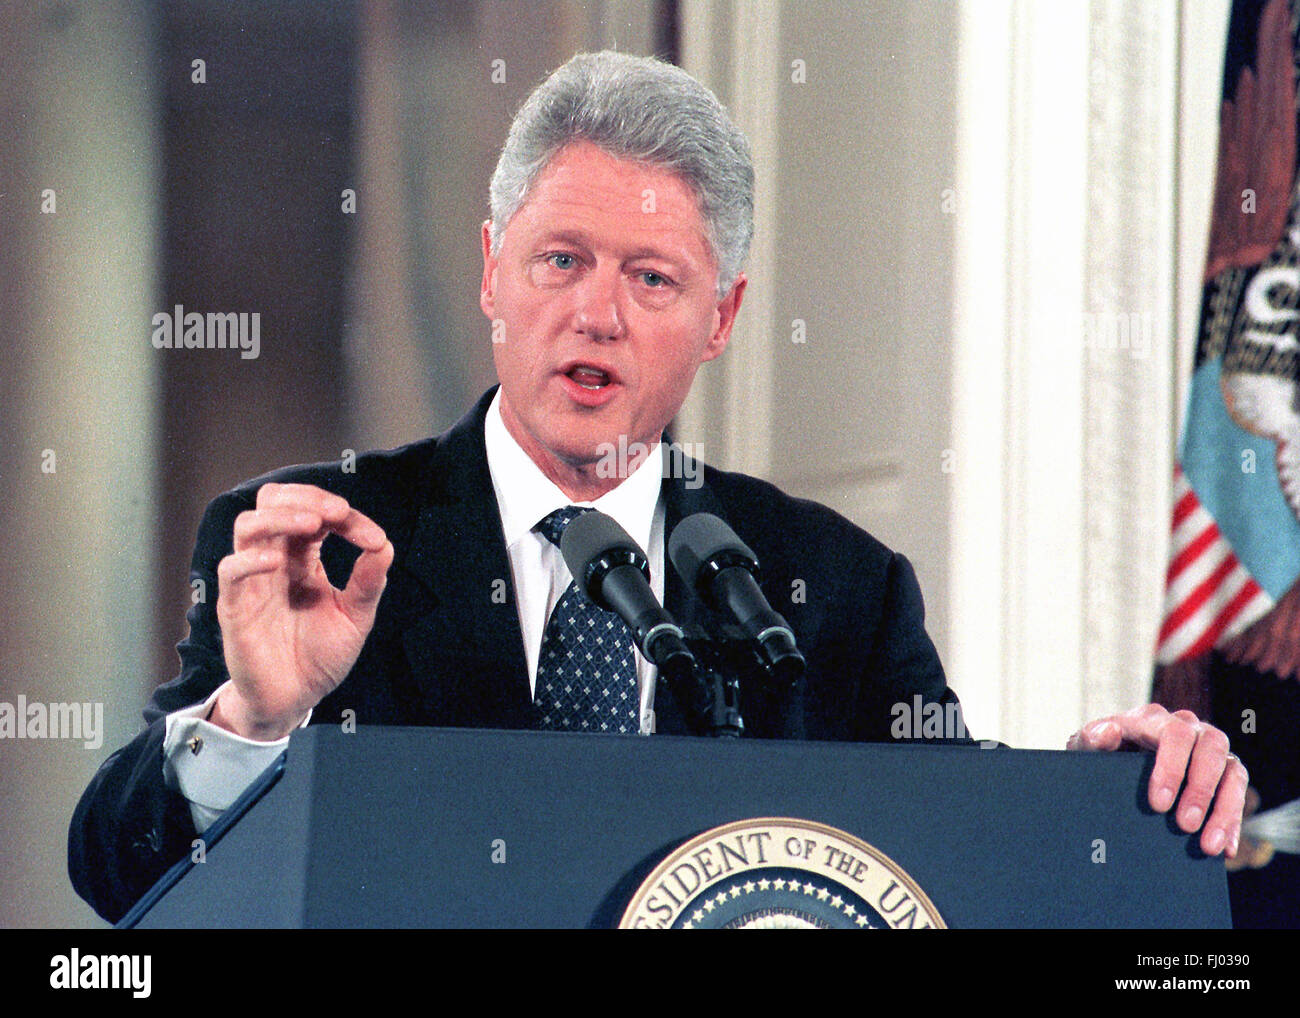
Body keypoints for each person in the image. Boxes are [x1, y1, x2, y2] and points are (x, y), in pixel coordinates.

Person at [69, 50, 1248, 925]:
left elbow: (937, 838)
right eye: (561, 260)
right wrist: (252, 723)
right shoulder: (316, 543)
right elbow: (113, 874)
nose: (596, 313)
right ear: (491, 272)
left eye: (652, 277)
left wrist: (1108, 795)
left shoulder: (830, 584)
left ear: (723, 317)